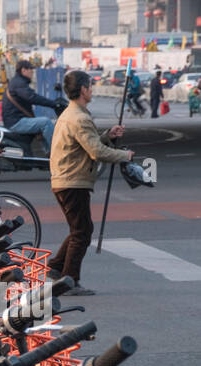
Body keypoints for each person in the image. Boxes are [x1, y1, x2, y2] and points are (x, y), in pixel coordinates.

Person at [48, 70, 132, 296]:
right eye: (90, 86)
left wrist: (108, 136)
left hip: (66, 179)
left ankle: (56, 268)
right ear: (83, 89)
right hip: (72, 181)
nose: (92, 90)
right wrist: (125, 156)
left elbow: (88, 143)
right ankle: (69, 281)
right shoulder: (80, 117)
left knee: (80, 229)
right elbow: (96, 151)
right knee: (82, 232)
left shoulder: (72, 114)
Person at [1, 59, 59, 155]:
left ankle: (47, 154)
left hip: (16, 119)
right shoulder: (19, 83)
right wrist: (53, 104)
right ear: (23, 70)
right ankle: (57, 154)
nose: (32, 73)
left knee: (42, 123)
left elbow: (32, 97)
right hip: (15, 122)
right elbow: (32, 97)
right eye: (31, 71)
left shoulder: (18, 82)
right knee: (45, 123)